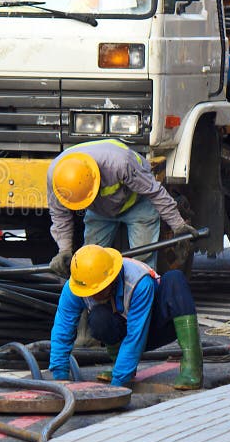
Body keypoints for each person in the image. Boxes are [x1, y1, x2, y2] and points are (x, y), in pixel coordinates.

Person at [49, 244, 203, 390]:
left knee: (175, 279)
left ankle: (192, 367)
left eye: (100, 290)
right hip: (126, 329)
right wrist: (60, 377)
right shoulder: (77, 286)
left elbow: (135, 336)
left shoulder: (139, 282)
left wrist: (117, 385)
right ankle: (120, 365)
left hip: (156, 327)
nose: (94, 296)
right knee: (98, 318)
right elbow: (62, 329)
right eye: (90, 292)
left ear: (112, 278)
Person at [47, 139, 199, 273]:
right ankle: (96, 303)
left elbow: (154, 193)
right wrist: (64, 250)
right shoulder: (57, 177)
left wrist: (178, 225)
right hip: (100, 211)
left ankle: (142, 299)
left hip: (138, 204)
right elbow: (60, 216)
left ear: (95, 180)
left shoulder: (120, 163)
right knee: (91, 261)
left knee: (141, 265)